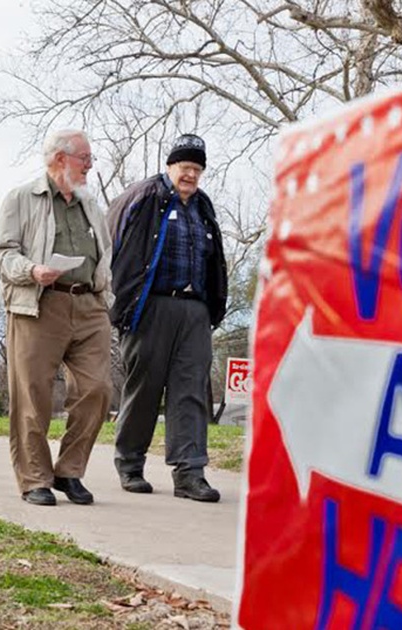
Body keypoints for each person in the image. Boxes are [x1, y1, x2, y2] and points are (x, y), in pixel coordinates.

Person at [0, 129, 114, 507]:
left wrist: (104, 294)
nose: (90, 166)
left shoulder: (91, 205)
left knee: (97, 390)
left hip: (89, 305)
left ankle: (69, 471)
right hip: (40, 304)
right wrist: (31, 270)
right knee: (33, 395)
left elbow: (103, 253)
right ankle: (34, 479)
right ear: (60, 158)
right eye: (85, 159)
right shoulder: (21, 198)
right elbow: (0, 254)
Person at [106, 133, 228, 503]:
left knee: (191, 391)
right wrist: (120, 302)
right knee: (144, 388)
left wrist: (214, 305)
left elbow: (214, 257)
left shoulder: (203, 206)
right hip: (149, 306)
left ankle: (190, 473)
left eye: (197, 168)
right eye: (184, 167)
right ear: (170, 166)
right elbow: (110, 242)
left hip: (194, 309)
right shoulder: (143, 196)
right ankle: (130, 464)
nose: (190, 174)